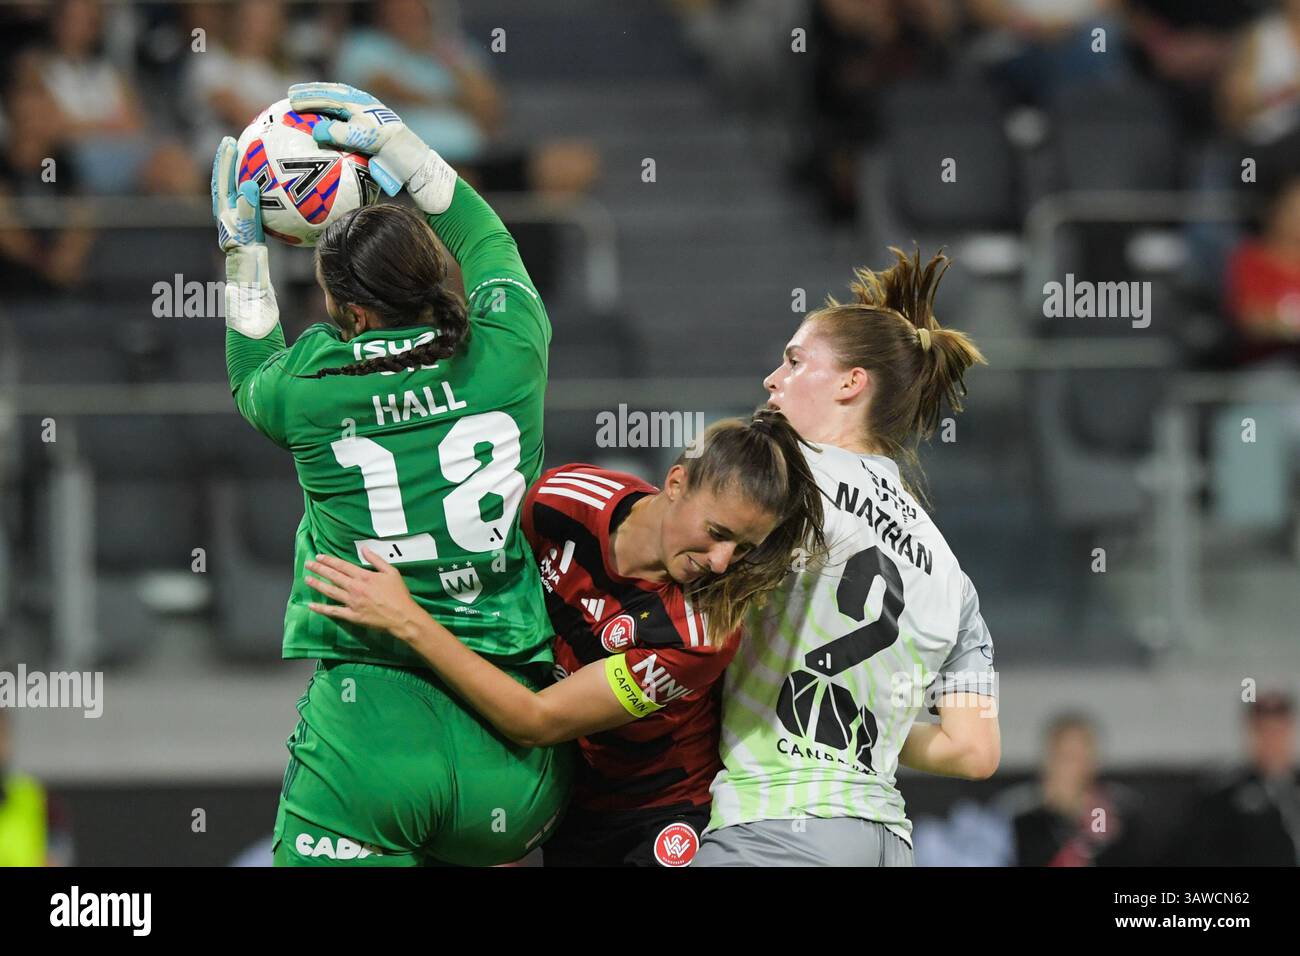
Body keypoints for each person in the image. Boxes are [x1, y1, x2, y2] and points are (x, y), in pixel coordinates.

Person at [213, 82, 571, 866]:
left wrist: (243, 249)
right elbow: (489, 243)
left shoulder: (312, 387)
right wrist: (403, 151)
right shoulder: (511, 348)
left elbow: (249, 375)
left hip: (372, 730)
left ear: (350, 312)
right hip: (514, 747)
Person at [303, 411, 828, 866]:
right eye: (717, 533)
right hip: (565, 791)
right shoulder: (562, 499)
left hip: (659, 811)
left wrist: (407, 620)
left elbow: (537, 720)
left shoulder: (701, 630)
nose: (720, 562)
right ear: (675, 483)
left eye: (741, 547)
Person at [696, 248, 1001, 866]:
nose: (772, 380)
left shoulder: (780, 473)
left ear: (850, 382)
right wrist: (871, 727)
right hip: (884, 839)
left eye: (794, 360)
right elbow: (975, 751)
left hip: (775, 825)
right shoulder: (951, 573)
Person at [1164, 690, 1299, 866]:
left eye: (1279, 731)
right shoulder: (1224, 796)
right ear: (1250, 734)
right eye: (1264, 731)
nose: (1273, 741)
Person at [994, 712, 1142, 866]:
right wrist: (1055, 809)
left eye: (1081, 757)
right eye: (1065, 756)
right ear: (1048, 761)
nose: (1073, 767)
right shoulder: (1017, 809)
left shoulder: (1115, 810)